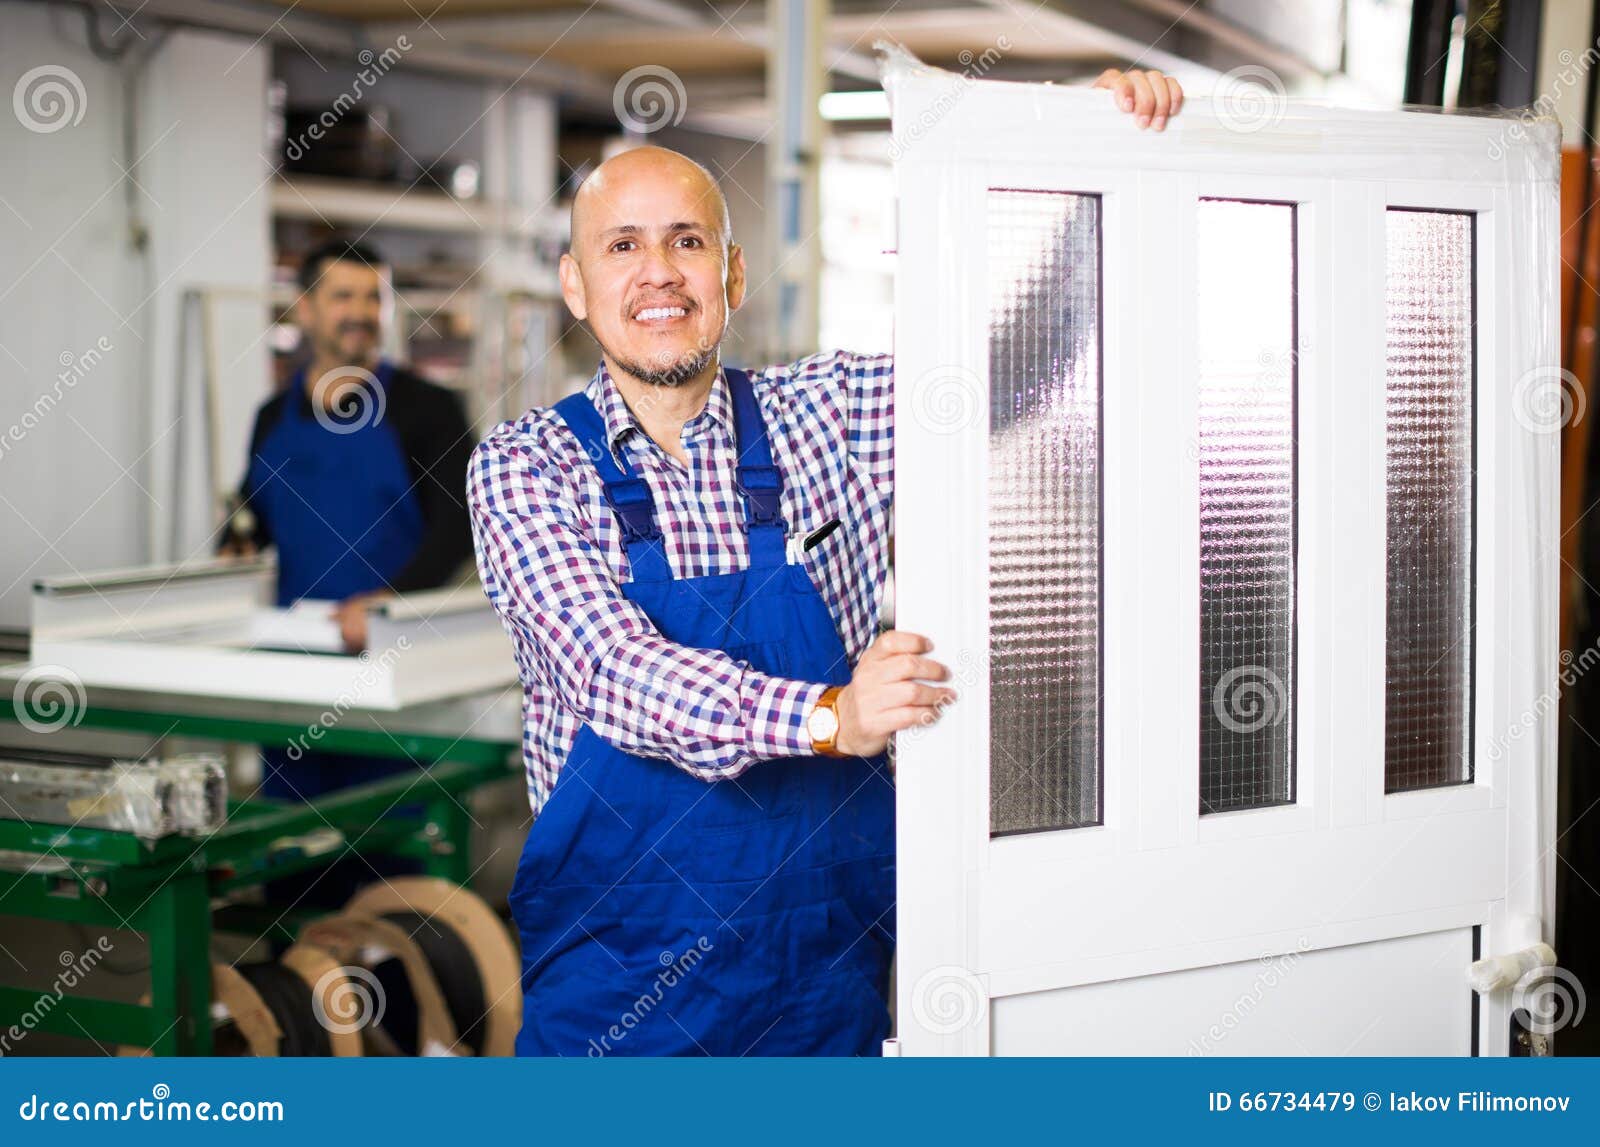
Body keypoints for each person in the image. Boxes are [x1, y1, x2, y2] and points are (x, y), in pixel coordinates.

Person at [468, 69, 1184, 1056]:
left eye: (687, 241)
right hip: (621, 992)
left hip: (822, 979)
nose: (659, 272)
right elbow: (613, 673)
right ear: (576, 285)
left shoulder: (827, 415)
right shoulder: (525, 465)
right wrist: (828, 716)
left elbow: (1019, 368)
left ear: (733, 275)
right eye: (622, 245)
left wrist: (1071, 140)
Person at [224, 238, 474, 881]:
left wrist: (387, 605)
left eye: (373, 298)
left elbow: (460, 530)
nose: (360, 312)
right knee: (293, 862)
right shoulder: (271, 417)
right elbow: (253, 516)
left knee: (397, 874)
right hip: (295, 675)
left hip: (398, 679)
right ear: (305, 309)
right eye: (342, 296)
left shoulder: (427, 409)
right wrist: (233, 546)